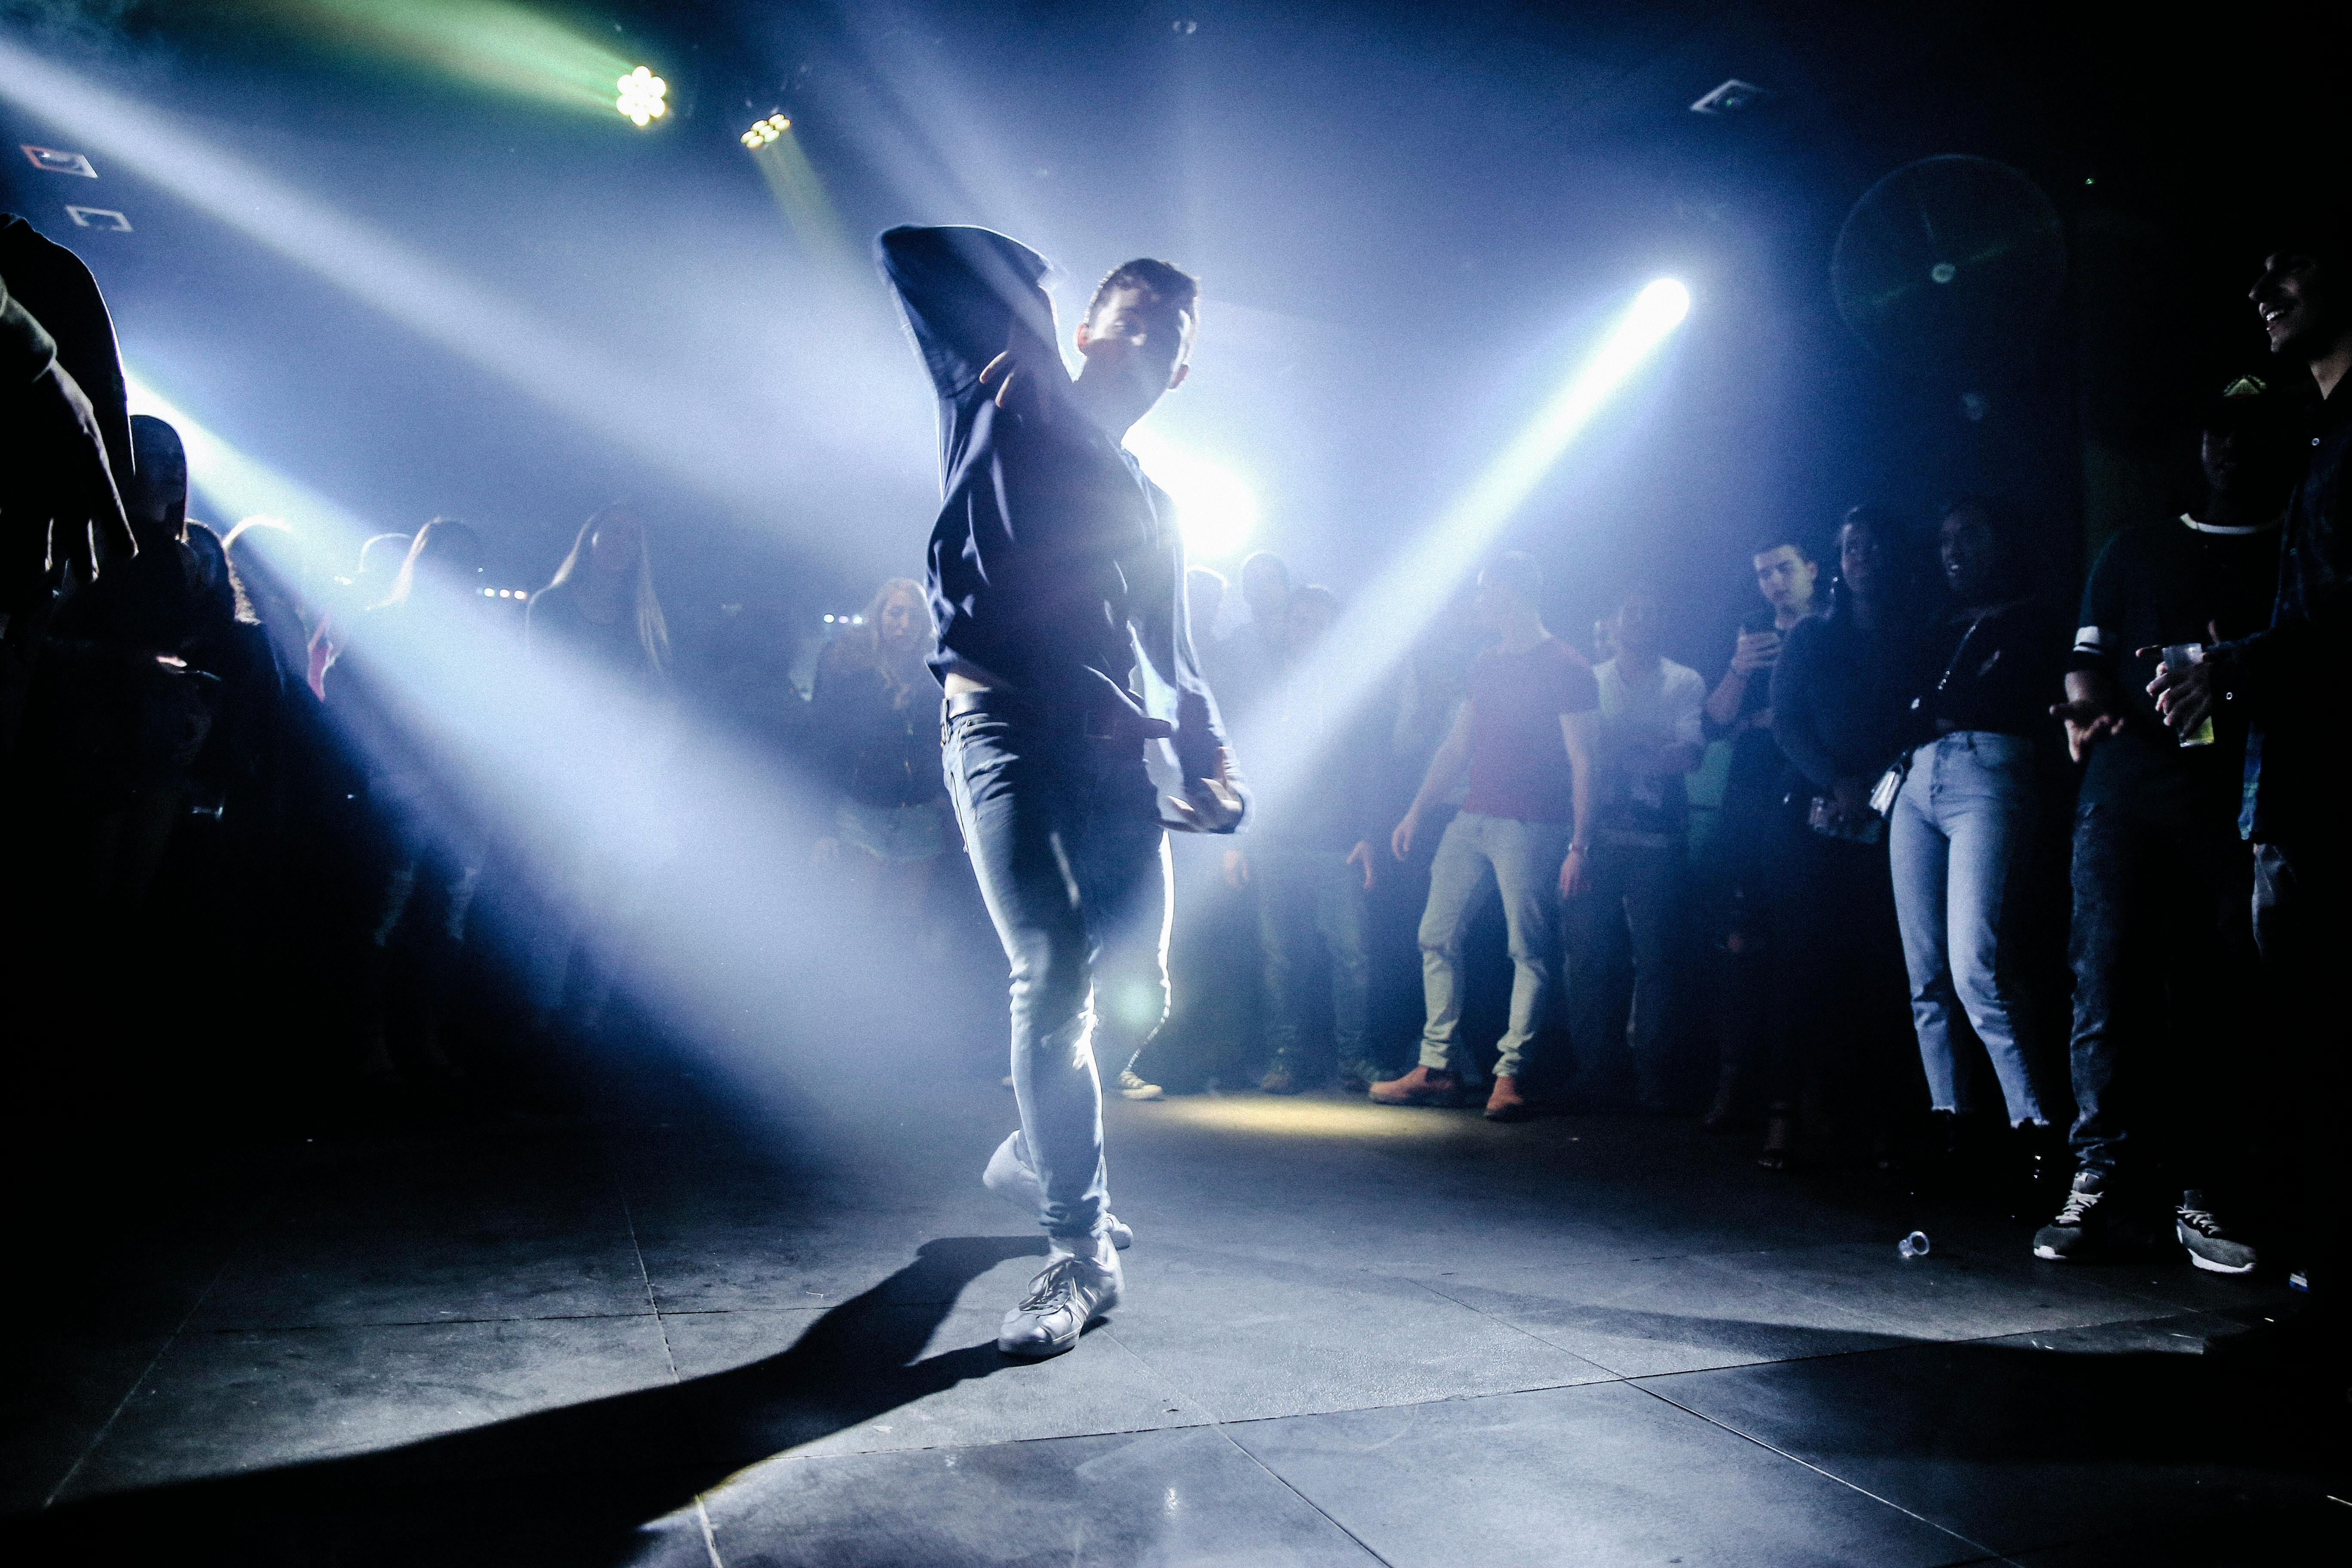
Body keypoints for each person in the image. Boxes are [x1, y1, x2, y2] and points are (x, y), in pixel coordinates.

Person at [878, 224, 1243, 1358]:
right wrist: (1029, 294)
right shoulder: (1005, 391)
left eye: (1167, 338)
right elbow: (913, 252)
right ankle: (1076, 1255)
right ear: (1089, 329)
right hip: (998, 732)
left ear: (1180, 371)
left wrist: (1210, 759)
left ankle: (1040, 1147)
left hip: (1107, 752)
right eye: (1129, 321)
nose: (1143, 346)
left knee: (1145, 989)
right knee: (1053, 970)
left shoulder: (1152, 503)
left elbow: (1175, 657)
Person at [2152, 221, 2352, 1366]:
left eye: (2293, 260)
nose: (2260, 284)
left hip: (2337, 809)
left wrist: (2226, 666)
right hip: (2304, 800)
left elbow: (2351, 622)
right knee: (2319, 1063)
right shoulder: (2324, 439)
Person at [2035, 383, 2290, 1265]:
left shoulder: (2294, 553)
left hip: (2233, 803)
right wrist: (2082, 707)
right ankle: (2097, 1179)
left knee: (2214, 999)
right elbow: (2083, 657)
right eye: (2216, 428)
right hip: (2126, 791)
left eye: (2249, 433)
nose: (2229, 447)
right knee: (2106, 983)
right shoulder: (2138, 547)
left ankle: (2203, 1191)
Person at [1885, 498, 2068, 1194]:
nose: (1953, 550)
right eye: (1944, 539)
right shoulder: (1935, 622)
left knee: (1976, 966)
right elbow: (1903, 701)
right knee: (1924, 970)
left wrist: (1955, 702)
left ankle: (2037, 1131)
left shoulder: (2036, 615)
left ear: (2003, 540)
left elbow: (2012, 697)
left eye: (1969, 535)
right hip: (1917, 779)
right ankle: (1951, 1120)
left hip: (1986, 772)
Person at [1374, 550, 1596, 1122]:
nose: (1477, 601)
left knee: (1528, 948)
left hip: (1533, 825)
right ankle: (1438, 1067)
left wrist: (1580, 844)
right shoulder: (1486, 663)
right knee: (1435, 935)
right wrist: (1417, 811)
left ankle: (1510, 1075)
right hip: (1472, 817)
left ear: (1511, 591)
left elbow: (1583, 760)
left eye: (1484, 589)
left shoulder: (1567, 665)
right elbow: (1456, 746)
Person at [1763, 507, 1920, 1169]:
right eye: (1851, 546)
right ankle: (1785, 1115)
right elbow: (1787, 724)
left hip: (1897, 815)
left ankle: (1883, 1119)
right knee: (1805, 966)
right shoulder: (1810, 638)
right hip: (1817, 816)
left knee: (1884, 969)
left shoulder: (1916, 634)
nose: (1862, 558)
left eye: (1872, 545)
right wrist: (1836, 782)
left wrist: (1878, 786)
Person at [1222, 585, 1384, 1093]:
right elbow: (1245, 759)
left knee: (1351, 955)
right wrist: (1237, 836)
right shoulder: (1269, 686)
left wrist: (1369, 834)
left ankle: (1354, 1059)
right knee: (1280, 958)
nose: (1303, 628)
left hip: (1337, 842)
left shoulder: (1357, 685)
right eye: (1297, 619)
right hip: (1276, 840)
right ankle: (1284, 1059)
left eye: (1315, 620)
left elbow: (1374, 768)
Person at [524, 505, 676, 1045]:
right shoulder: (553, 607)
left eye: (631, 537)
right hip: (562, 776)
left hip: (624, 778)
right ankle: (536, 1030)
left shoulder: (645, 618)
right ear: (588, 538)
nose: (618, 543)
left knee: (614, 906)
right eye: (610, 531)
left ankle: (580, 1025)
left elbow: (660, 702)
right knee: (557, 905)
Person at [1696, 534, 1820, 1129]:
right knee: (1737, 949)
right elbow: (1716, 722)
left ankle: (1793, 1104)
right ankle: (1731, 1086)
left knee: (1803, 950)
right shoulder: (1752, 633)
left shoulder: (1833, 627)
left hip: (1808, 797)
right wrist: (1739, 669)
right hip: (1748, 800)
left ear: (1812, 571)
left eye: (1784, 569)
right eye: (1764, 572)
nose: (1774, 581)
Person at [1567, 588, 1706, 1111]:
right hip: (1595, 839)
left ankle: (1652, 1077)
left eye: (1652, 611)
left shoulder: (1684, 680)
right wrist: (1650, 747)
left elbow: (1689, 758)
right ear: (1615, 620)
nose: (1642, 620)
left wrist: (1620, 751)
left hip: (1659, 841)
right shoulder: (1591, 679)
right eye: (1633, 611)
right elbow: (1577, 756)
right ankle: (1593, 1072)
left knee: (1657, 960)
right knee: (1586, 956)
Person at [808, 577, 956, 926]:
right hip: (863, 806)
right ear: (879, 615)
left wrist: (939, 791)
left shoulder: (935, 671)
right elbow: (827, 743)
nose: (904, 625)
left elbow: (948, 739)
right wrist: (822, 824)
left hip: (920, 811)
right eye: (896, 613)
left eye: (913, 616)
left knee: (907, 919)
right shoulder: (849, 665)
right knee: (854, 916)